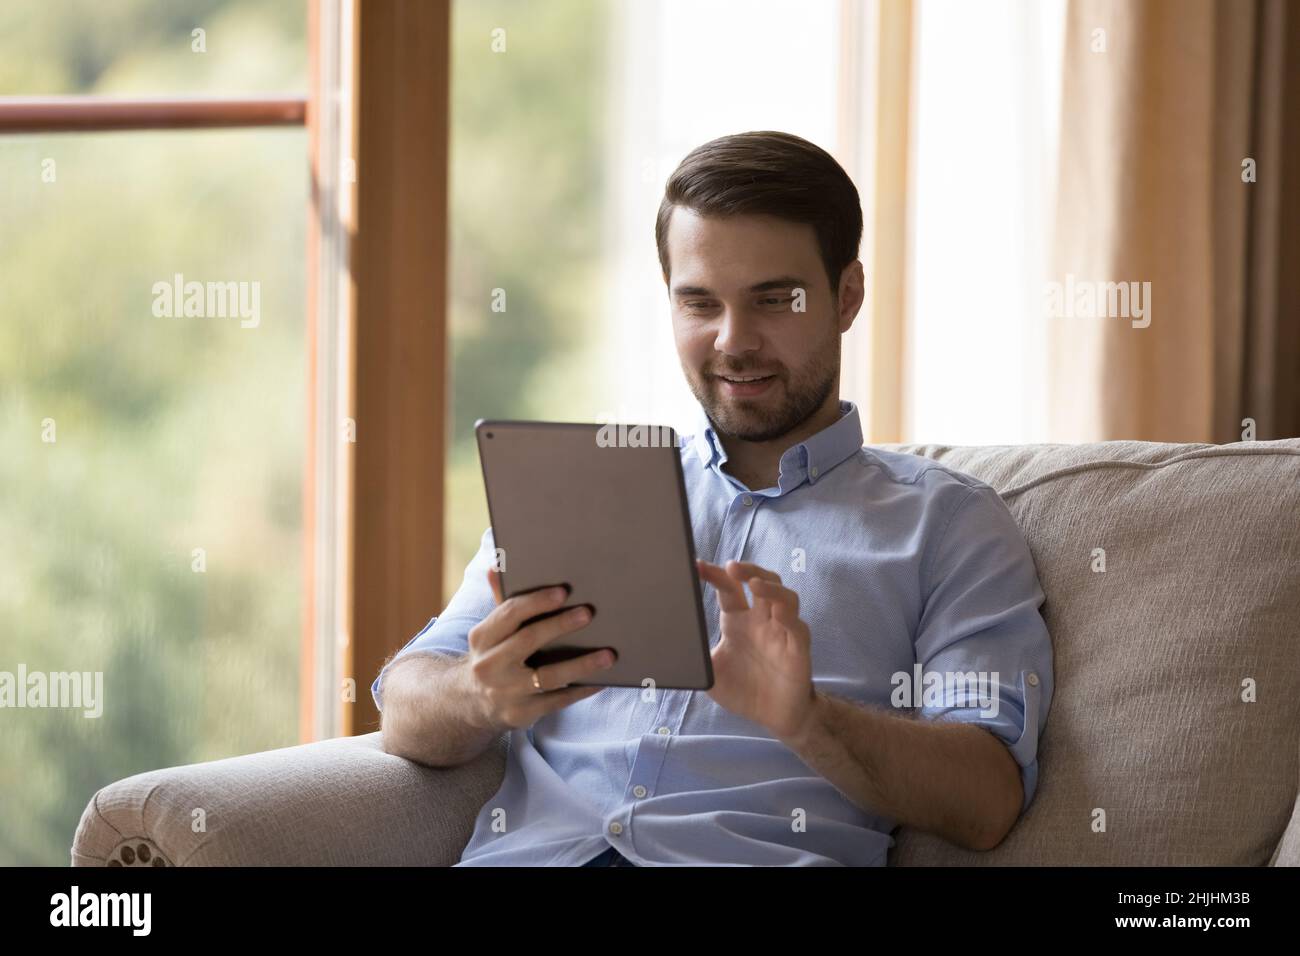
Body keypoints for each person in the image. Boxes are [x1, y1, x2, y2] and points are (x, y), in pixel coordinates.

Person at [372, 130, 1053, 866]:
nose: (734, 341)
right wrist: (480, 693)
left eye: (772, 300)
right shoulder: (584, 487)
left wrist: (807, 719)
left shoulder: (948, 524)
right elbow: (406, 706)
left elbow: (987, 800)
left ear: (846, 295)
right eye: (699, 303)